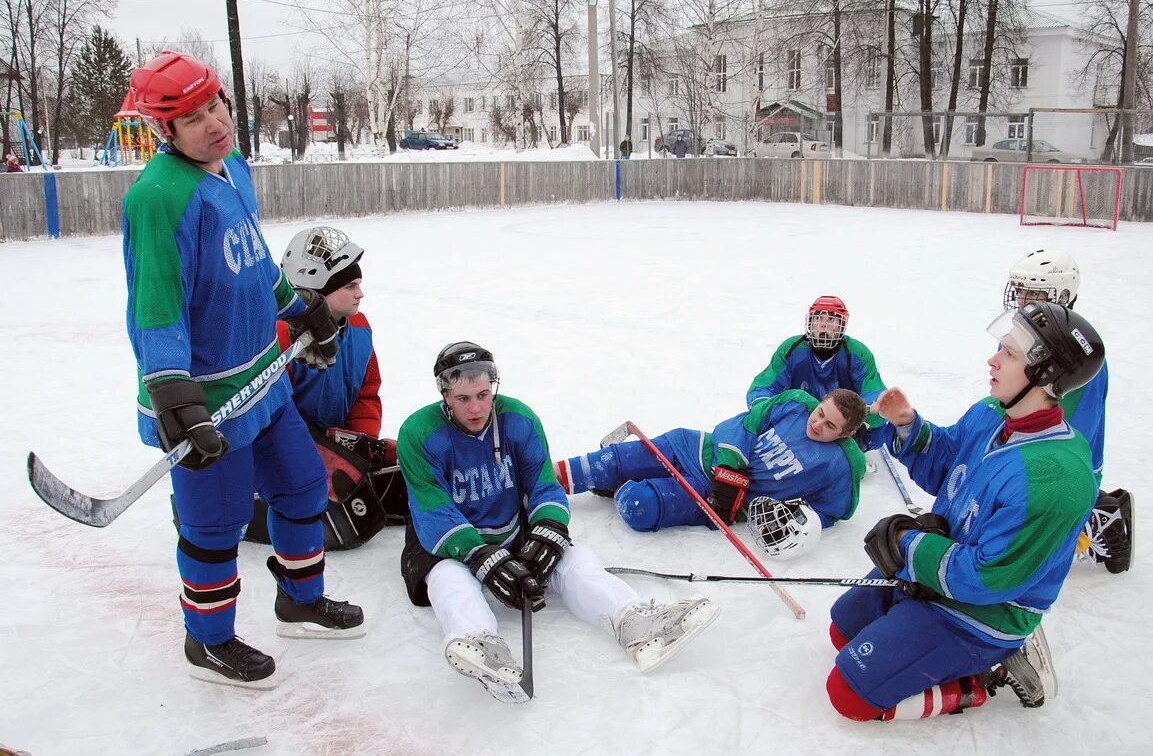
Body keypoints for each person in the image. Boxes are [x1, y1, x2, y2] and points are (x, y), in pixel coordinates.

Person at [122, 51, 364, 690]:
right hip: (206, 397)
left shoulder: (232, 167)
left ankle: (300, 601)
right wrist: (171, 388)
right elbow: (155, 304)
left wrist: (299, 307)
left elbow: (252, 263)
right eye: (192, 118)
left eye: (215, 106)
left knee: (303, 486)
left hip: (262, 378)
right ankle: (208, 642)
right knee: (215, 524)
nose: (214, 124)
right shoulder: (157, 198)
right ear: (165, 130)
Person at [825, 301, 1105, 722]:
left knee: (849, 696)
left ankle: (981, 677)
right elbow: (948, 468)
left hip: (984, 610)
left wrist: (908, 546)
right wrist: (906, 423)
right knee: (842, 629)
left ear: (1044, 375)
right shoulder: (992, 414)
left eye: (1009, 353)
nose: (993, 359)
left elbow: (988, 577)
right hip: (942, 569)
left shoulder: (1055, 479)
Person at [396, 342, 719, 703]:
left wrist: (549, 529)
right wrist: (480, 554)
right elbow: (433, 510)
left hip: (512, 526)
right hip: (446, 539)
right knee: (448, 580)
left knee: (575, 560)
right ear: (445, 395)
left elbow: (544, 485)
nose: (476, 408)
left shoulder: (518, 419)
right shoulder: (419, 433)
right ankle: (480, 645)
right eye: (463, 398)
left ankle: (634, 622)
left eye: (483, 395)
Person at [555, 388, 868, 558]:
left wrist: (794, 519)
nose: (817, 424)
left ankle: (623, 484)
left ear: (847, 434)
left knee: (637, 507)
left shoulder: (844, 465)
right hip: (698, 450)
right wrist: (731, 469)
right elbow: (744, 424)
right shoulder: (796, 403)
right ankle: (544, 481)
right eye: (820, 413)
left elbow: (833, 511)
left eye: (830, 426)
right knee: (608, 463)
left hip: (723, 500)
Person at [244, 226, 406, 551]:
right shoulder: (280, 335)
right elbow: (269, 413)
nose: (360, 293)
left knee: (399, 454)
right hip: (287, 446)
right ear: (318, 291)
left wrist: (357, 444)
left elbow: (366, 393)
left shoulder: (359, 328)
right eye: (350, 286)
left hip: (334, 440)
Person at [1003, 248, 1132, 573]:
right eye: (1019, 291)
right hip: (1031, 450)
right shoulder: (1019, 338)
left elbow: (1077, 436)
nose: (1023, 301)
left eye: (1033, 294)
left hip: (1068, 464)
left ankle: (1103, 514)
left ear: (1061, 296)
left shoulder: (1079, 359)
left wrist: (1070, 490)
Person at [746, 296, 888, 449]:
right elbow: (764, 386)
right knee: (754, 422)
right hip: (798, 420)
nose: (823, 325)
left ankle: (859, 451)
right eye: (818, 318)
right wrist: (766, 411)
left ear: (842, 325)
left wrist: (861, 418)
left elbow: (874, 393)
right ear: (810, 322)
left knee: (879, 431)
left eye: (831, 320)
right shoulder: (792, 348)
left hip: (839, 424)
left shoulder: (857, 353)